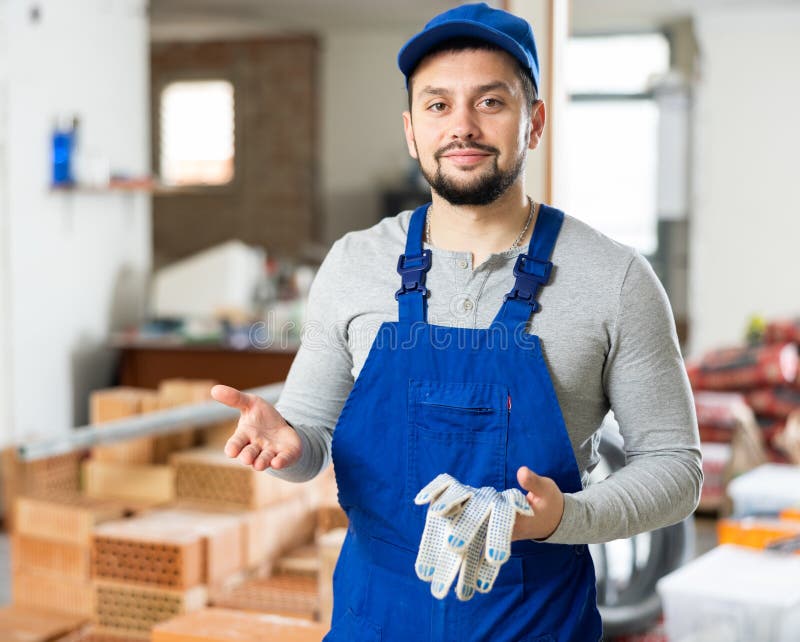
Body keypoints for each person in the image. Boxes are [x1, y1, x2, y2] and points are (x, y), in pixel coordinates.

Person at [211, 3, 702, 640]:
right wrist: (287, 446)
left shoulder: (617, 279)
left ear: (534, 122)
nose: (462, 127)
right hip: (375, 618)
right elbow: (309, 444)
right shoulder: (355, 264)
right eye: (438, 105)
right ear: (412, 130)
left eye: (490, 102)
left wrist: (560, 518)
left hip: (535, 621)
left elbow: (676, 469)